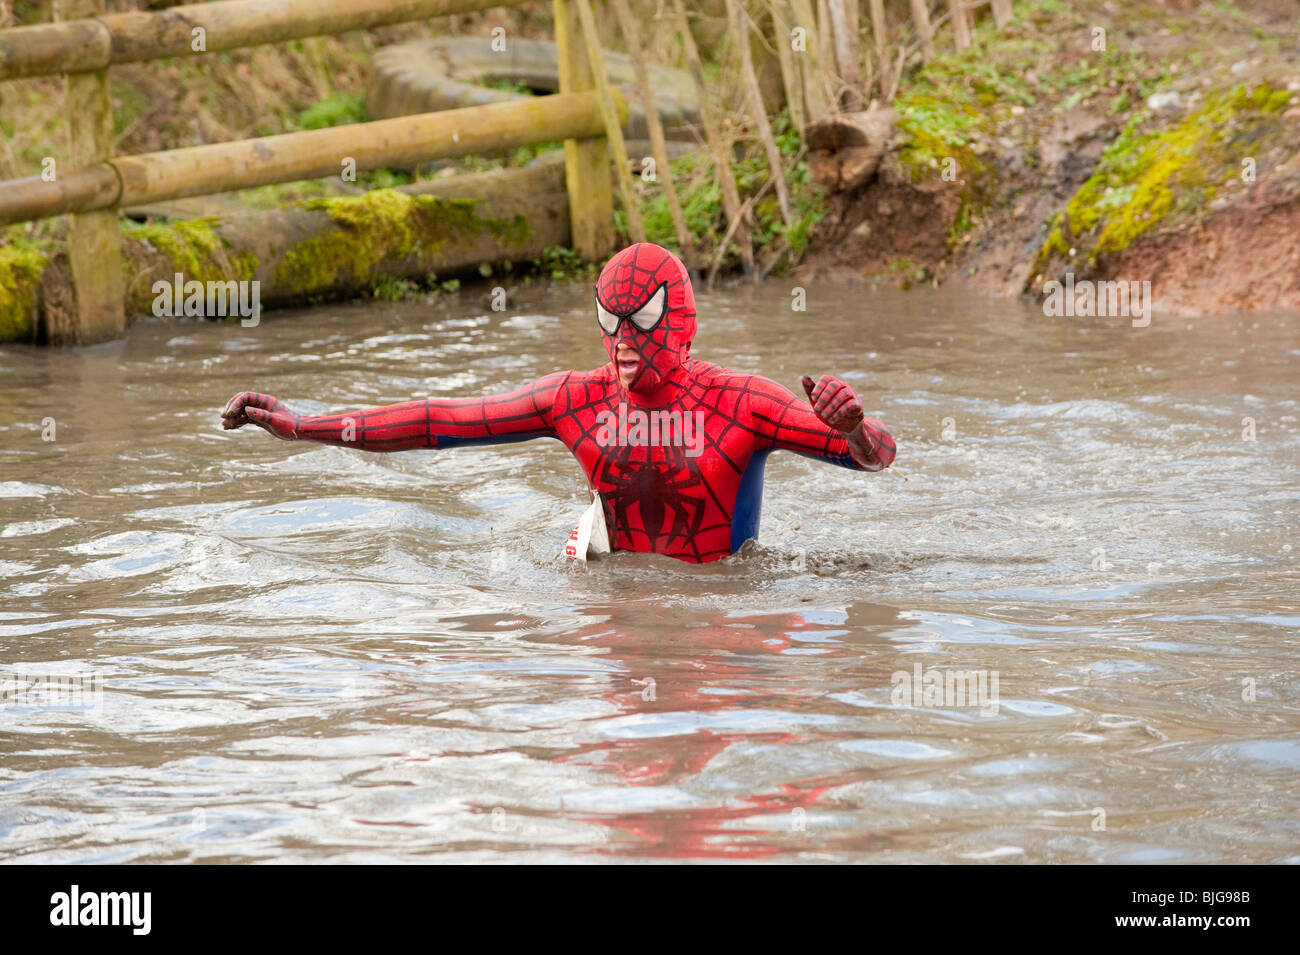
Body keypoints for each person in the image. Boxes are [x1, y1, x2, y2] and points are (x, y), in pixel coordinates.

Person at [221, 242, 896, 563]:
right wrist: (304, 423)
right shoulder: (574, 400)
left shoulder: (744, 404)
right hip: (612, 609)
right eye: (611, 326)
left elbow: (878, 460)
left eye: (642, 324)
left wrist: (856, 427)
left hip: (727, 602)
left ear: (682, 324)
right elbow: (440, 422)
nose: (623, 344)